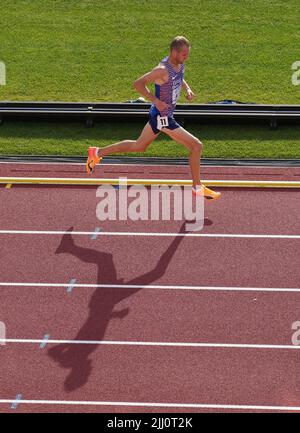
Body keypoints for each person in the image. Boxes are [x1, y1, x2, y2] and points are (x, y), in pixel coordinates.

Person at [86, 36, 220, 200]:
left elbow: (179, 77)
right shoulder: (161, 70)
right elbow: (138, 84)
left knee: (139, 146)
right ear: (174, 52)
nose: (187, 57)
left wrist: (187, 89)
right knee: (196, 146)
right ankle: (197, 187)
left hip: (161, 115)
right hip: (162, 118)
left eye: (187, 53)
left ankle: (97, 152)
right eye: (184, 54)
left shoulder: (178, 63)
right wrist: (156, 100)